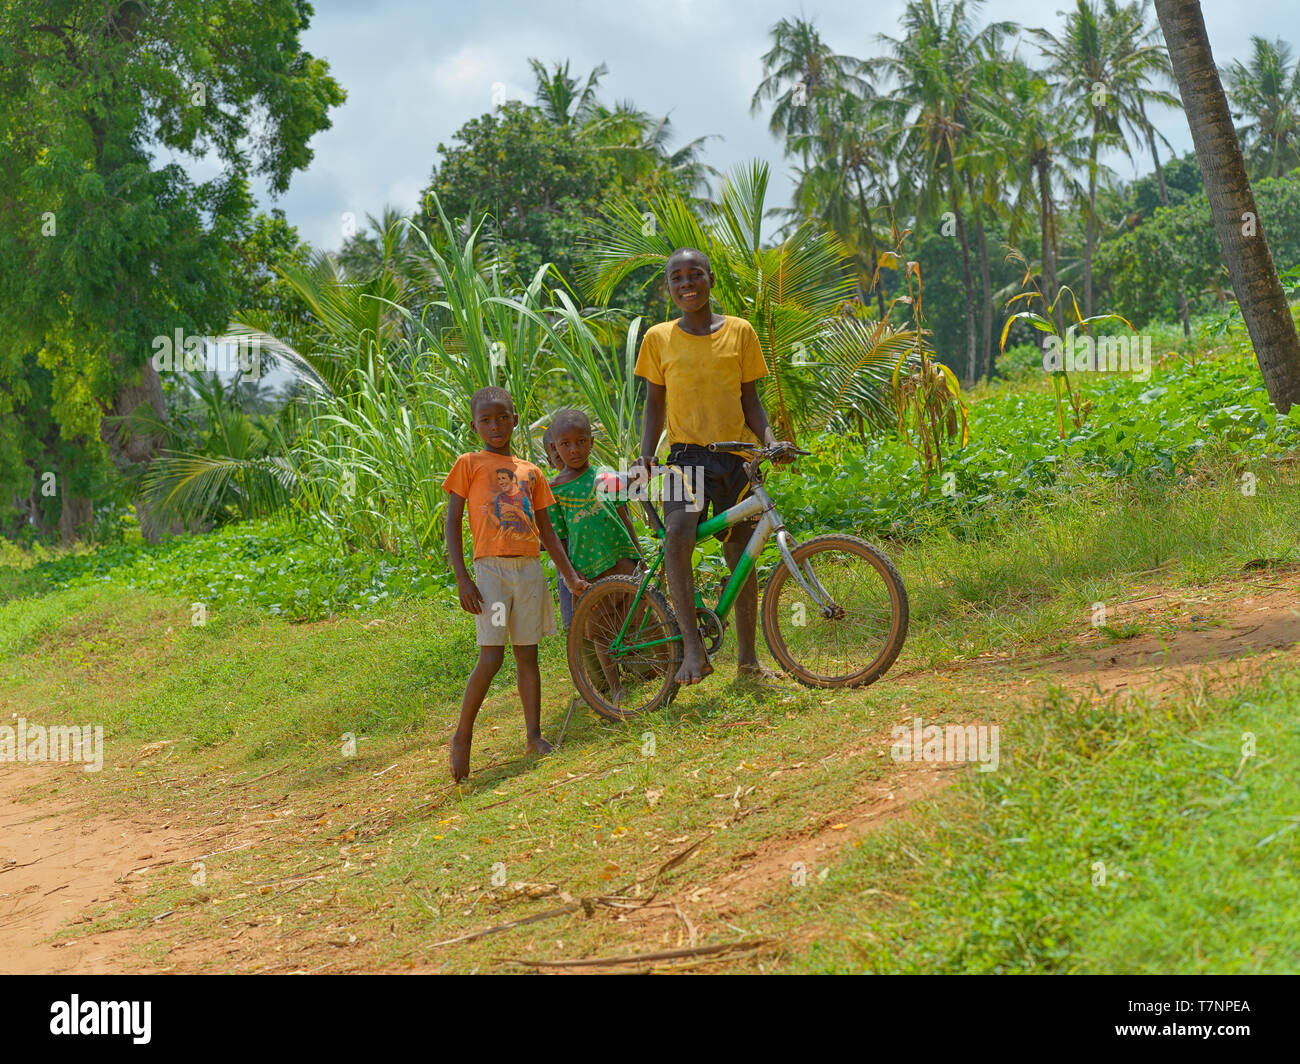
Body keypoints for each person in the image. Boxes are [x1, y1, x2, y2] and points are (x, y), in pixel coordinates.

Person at [633, 246, 794, 686]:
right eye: (677, 278)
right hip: (685, 457)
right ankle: (690, 650)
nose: (687, 283)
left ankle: (747, 663)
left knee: (742, 555)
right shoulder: (658, 338)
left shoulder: (740, 332)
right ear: (669, 288)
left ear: (710, 280)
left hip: (738, 458)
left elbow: (751, 401)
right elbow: (654, 404)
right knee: (679, 536)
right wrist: (646, 454)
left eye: (695, 275)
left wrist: (771, 441)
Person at [443, 386, 589, 782]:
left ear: (515, 419)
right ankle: (462, 736)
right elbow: (452, 523)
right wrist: (463, 579)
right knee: (490, 659)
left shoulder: (532, 472)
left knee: (528, 656)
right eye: (486, 420)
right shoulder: (468, 464)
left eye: (502, 417)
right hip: (490, 575)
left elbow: (547, 531)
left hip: (529, 572)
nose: (495, 425)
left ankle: (534, 736)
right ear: (474, 425)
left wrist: (570, 576)